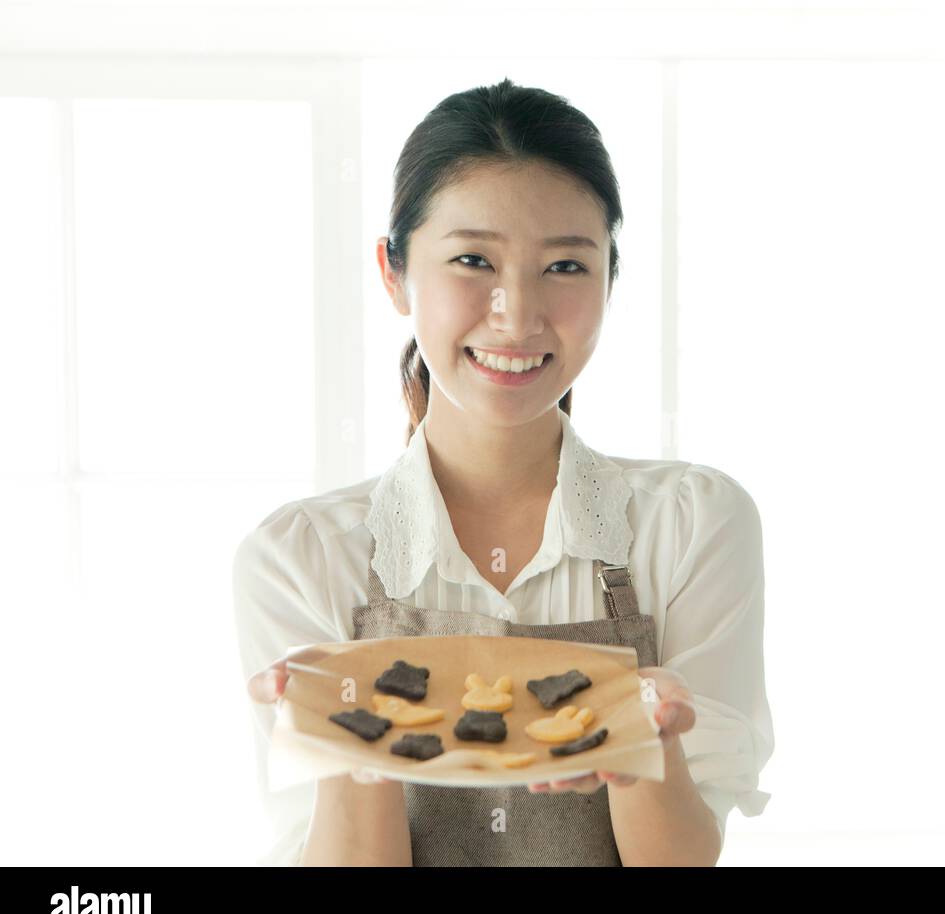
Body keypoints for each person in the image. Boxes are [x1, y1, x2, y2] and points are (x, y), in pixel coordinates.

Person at [234, 77, 773, 866]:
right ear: (393, 273)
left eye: (564, 267)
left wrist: (637, 751)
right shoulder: (298, 558)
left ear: (610, 280)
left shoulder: (694, 524)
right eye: (472, 259)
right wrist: (347, 734)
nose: (515, 314)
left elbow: (684, 859)